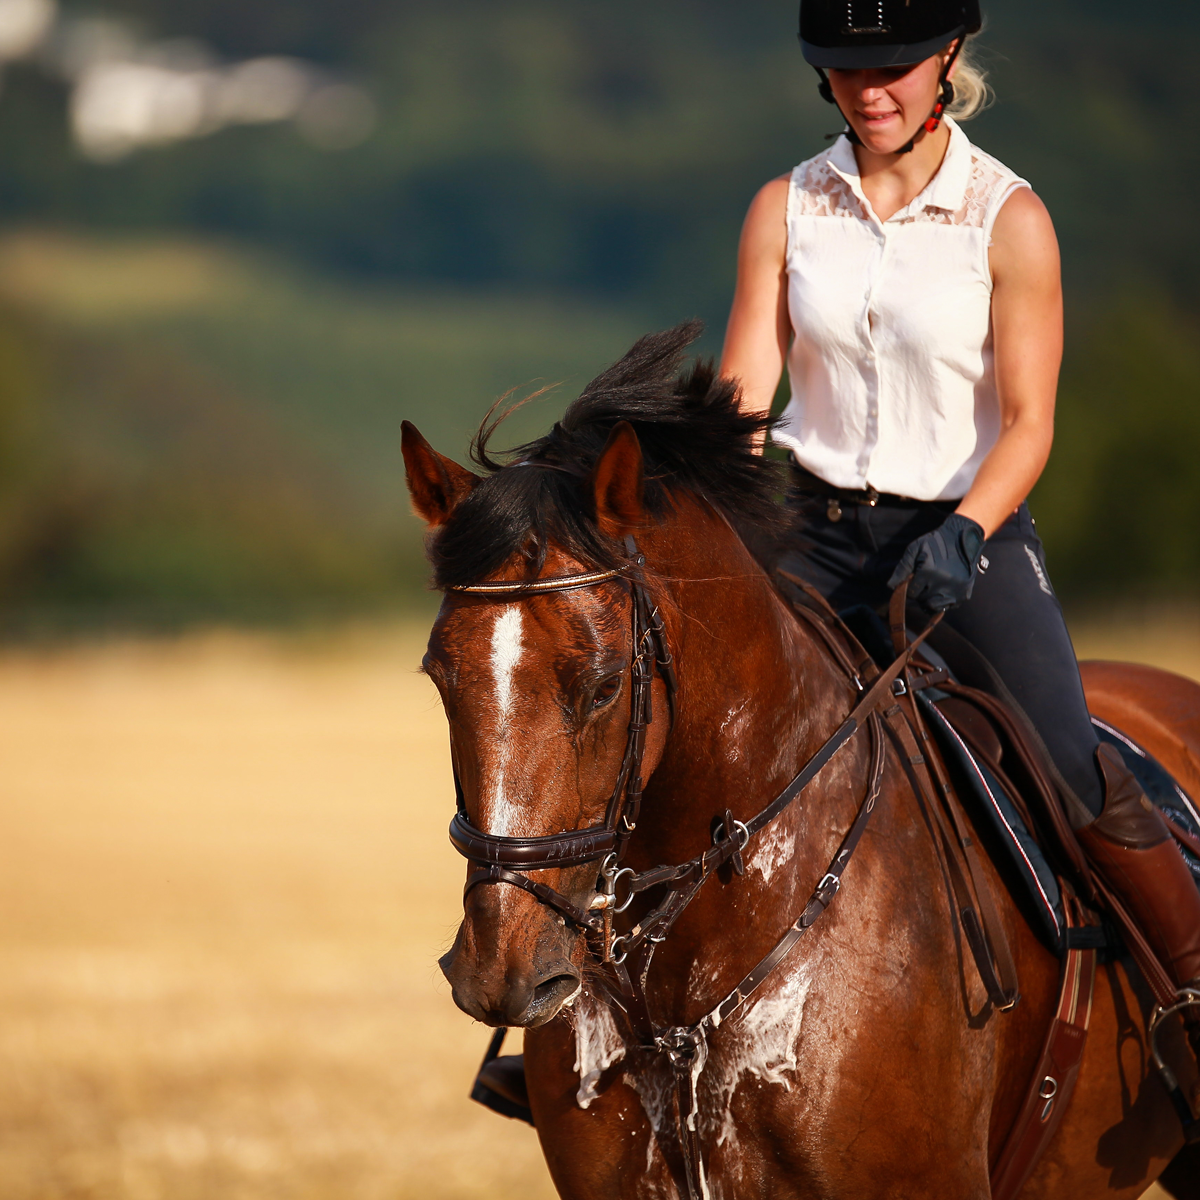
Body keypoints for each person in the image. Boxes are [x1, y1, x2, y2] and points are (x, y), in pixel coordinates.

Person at [720, 0, 1200, 1036]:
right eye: (848, 70)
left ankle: (1193, 990)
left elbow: (1029, 425)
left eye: (893, 67)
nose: (870, 91)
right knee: (681, 719)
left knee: (1069, 768)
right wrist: (717, 520)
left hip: (962, 539)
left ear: (946, 58)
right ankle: (578, 1023)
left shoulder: (1008, 218)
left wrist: (968, 529)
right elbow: (744, 401)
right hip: (809, 535)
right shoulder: (785, 208)